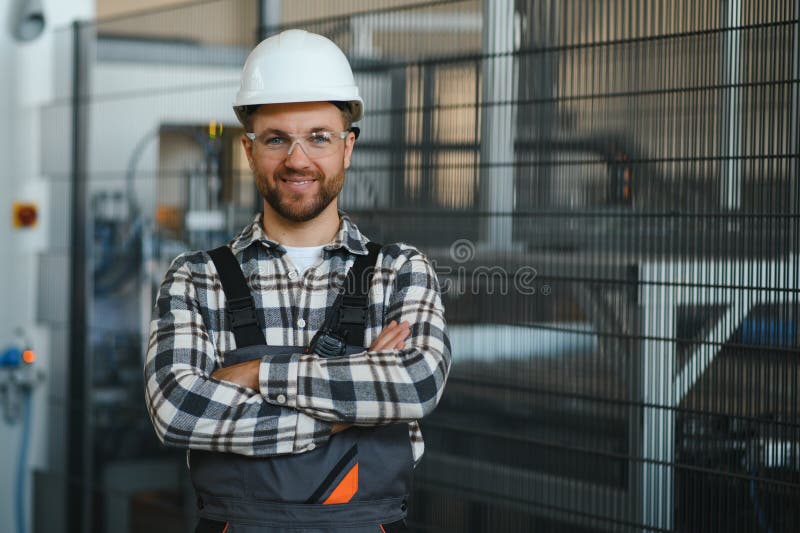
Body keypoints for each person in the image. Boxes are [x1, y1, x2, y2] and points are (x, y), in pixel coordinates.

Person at [144, 29, 451, 533]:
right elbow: (178, 411)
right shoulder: (196, 278)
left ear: (348, 148)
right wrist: (348, 411)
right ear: (249, 150)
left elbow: (416, 384)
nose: (297, 159)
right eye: (276, 138)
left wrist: (256, 375)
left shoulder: (400, 271)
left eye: (319, 137)